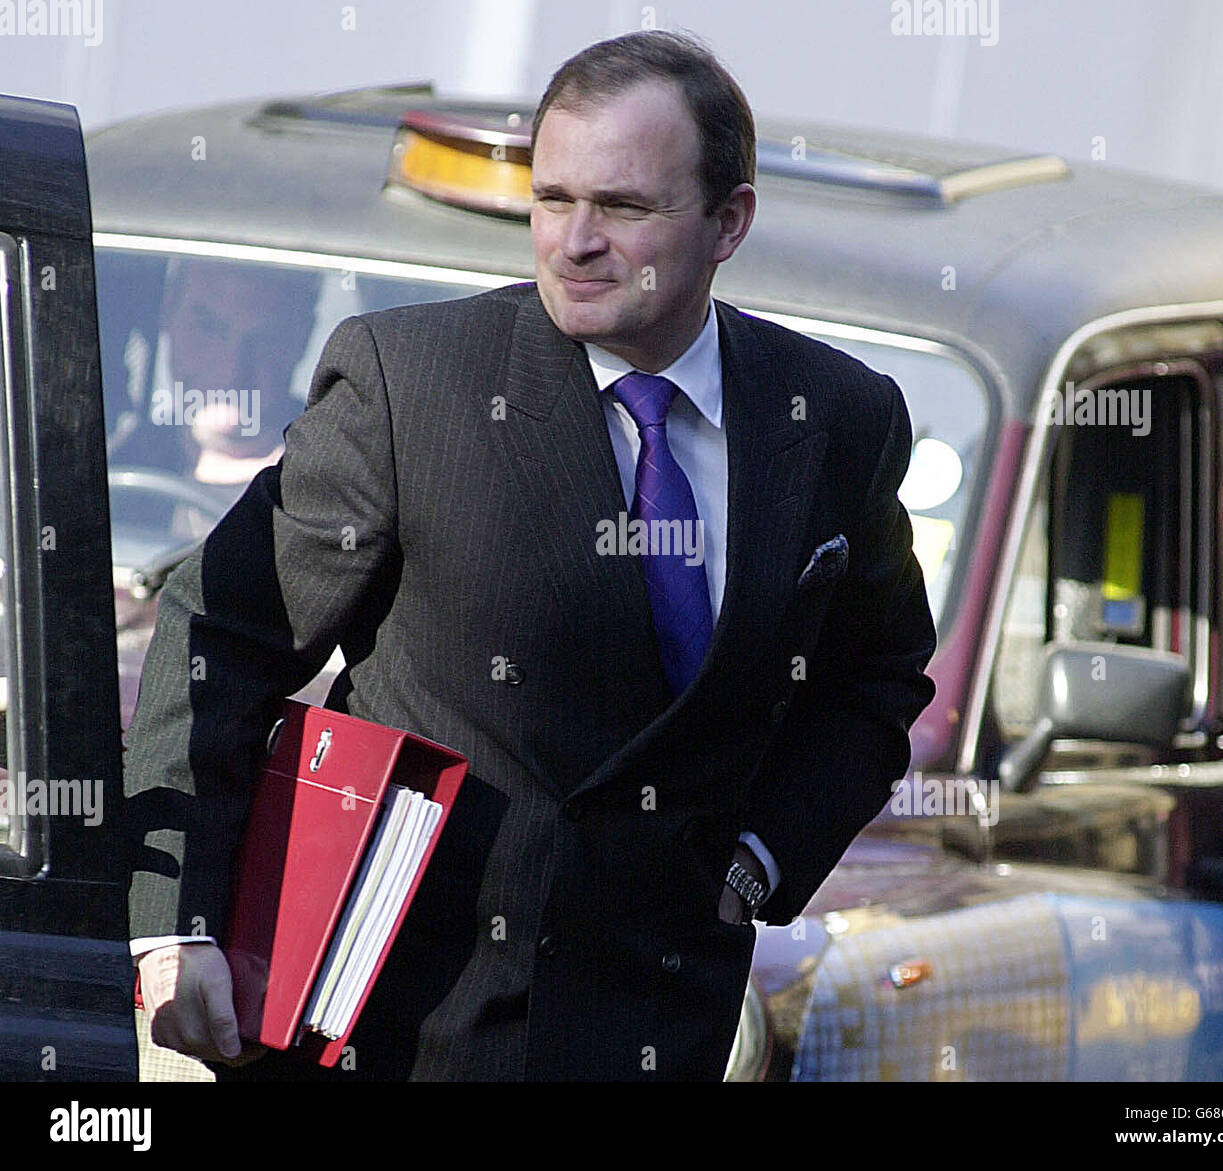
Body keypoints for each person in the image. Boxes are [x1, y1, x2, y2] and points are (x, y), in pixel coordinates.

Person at [126, 29, 937, 1082]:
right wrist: (176, 918)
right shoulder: (413, 385)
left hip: (661, 1029)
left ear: (728, 220)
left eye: (625, 207)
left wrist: (759, 858)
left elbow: (874, 675)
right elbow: (220, 631)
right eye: (553, 200)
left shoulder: (835, 415)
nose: (573, 241)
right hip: (400, 1030)